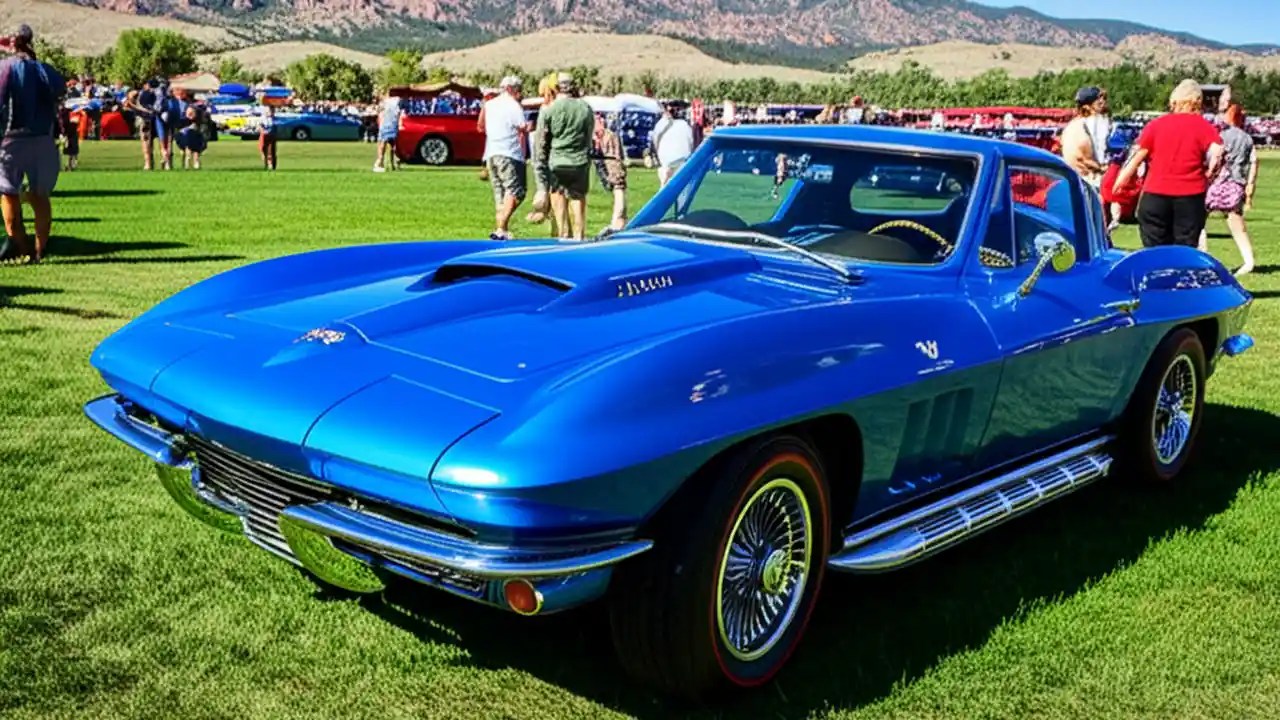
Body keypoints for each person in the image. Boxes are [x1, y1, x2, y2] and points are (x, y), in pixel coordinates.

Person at [1113, 80, 1224, 248]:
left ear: (1174, 101)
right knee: (1184, 249)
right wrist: (1209, 174)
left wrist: (1119, 182)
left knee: (1155, 250)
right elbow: (1217, 153)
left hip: (1155, 194)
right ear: (1198, 101)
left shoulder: (1155, 125)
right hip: (1190, 196)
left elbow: (1137, 157)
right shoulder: (1204, 126)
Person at [0, 23, 65, 265]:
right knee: (40, 197)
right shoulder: (44, 70)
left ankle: (20, 246)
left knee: (8, 194)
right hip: (43, 140)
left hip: (11, 141)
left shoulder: (4, 68)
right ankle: (39, 250)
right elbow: (59, 93)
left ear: (11, 42)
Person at [1199, 103, 1258, 276]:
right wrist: (1250, 184)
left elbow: (1214, 156)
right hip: (1236, 182)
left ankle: (1202, 256)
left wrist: (1208, 173)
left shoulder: (1220, 135)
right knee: (1236, 223)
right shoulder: (1247, 138)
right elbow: (1254, 162)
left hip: (1216, 181)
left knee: (1199, 221)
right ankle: (1248, 260)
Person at [536, 73, 594, 240]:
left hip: (557, 160)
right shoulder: (585, 108)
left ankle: (563, 232)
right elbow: (588, 135)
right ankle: (579, 233)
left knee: (558, 194)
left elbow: (542, 140)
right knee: (578, 196)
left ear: (556, 88)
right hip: (579, 160)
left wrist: (541, 162)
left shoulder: (550, 109)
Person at [481, 76, 530, 240]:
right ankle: (501, 226)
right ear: (512, 89)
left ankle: (502, 230)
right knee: (516, 191)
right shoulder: (513, 105)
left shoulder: (490, 105)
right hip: (509, 153)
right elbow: (523, 126)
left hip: (491, 153)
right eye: (518, 90)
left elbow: (481, 126)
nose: (520, 94)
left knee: (499, 192)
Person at [1060, 86, 1110, 188]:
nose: (1103, 103)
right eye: (1098, 101)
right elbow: (1081, 158)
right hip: (1084, 181)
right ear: (1087, 106)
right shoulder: (1081, 127)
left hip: (1079, 180)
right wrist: (1104, 169)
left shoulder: (1075, 125)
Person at [526, 72, 557, 228]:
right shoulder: (557, 107)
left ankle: (542, 211)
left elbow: (541, 136)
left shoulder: (546, 109)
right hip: (555, 154)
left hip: (543, 153)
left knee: (543, 184)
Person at [592, 113, 627, 231]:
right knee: (618, 189)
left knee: (618, 188)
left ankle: (618, 219)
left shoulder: (609, 135)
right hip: (609, 161)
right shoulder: (602, 135)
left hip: (612, 163)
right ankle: (619, 219)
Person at [652, 100, 694, 188]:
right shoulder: (683, 125)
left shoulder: (682, 125)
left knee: (668, 187)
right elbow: (691, 143)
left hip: (673, 161)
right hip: (674, 161)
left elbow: (655, 142)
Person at [127, 83, 156, 170]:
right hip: (144, 118)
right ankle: (148, 162)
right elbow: (130, 103)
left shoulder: (151, 93)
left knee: (147, 141)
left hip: (151, 117)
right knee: (146, 140)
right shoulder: (137, 94)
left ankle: (149, 163)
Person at [372, 93, 401, 172]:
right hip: (392, 123)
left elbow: (379, 111)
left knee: (383, 142)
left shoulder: (387, 101)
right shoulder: (396, 100)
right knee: (391, 144)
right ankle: (392, 164)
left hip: (386, 124)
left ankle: (380, 162)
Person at [176, 104, 206, 170]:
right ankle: (189, 162)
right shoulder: (183, 121)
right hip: (183, 138)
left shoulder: (199, 122)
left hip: (194, 140)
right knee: (189, 139)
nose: (190, 114)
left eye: (192, 113)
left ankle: (194, 161)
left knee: (194, 142)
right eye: (188, 112)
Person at [57, 102, 78, 171]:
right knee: (68, 150)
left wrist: (65, 134)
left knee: (71, 150)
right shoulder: (63, 114)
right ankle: (68, 165)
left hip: (70, 135)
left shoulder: (68, 114)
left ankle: (70, 165)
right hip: (67, 134)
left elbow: (71, 125)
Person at [259, 106, 277, 170]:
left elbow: (276, 127)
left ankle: (271, 165)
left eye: (273, 111)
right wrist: (262, 130)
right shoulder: (263, 118)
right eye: (270, 111)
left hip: (271, 136)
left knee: (271, 151)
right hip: (264, 135)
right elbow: (260, 125)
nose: (271, 112)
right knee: (263, 149)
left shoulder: (275, 119)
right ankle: (265, 164)